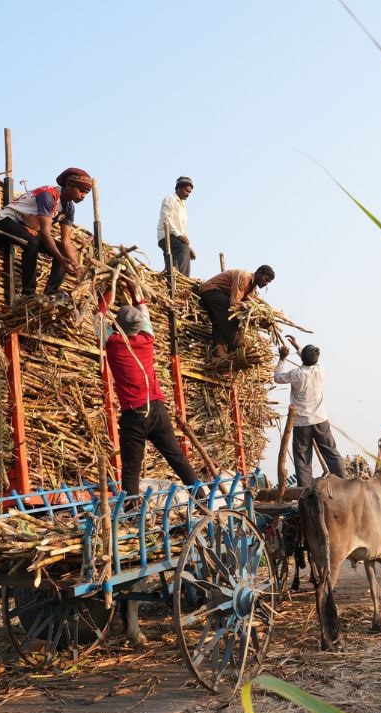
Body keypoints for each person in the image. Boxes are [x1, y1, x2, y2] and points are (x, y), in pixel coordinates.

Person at [106, 278, 200, 497]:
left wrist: (108, 288)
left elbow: (98, 316)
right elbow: (142, 306)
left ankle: (131, 508)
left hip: (134, 415)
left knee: (131, 469)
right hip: (157, 410)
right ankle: (202, 497)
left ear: (117, 326)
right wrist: (132, 286)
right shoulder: (148, 338)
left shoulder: (112, 343)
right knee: (177, 458)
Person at [0, 168, 91, 298]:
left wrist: (77, 266)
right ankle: (28, 293)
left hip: (27, 229)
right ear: (69, 185)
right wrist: (60, 259)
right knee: (32, 243)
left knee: (61, 249)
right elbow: (45, 233)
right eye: (81, 191)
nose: (83, 196)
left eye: (86, 193)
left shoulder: (69, 208)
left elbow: (66, 241)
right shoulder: (48, 196)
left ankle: (51, 292)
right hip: (6, 222)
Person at [274, 336, 344, 488]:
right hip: (320, 420)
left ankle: (305, 492)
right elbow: (310, 360)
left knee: (303, 460)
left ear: (303, 358)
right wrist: (298, 347)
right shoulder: (320, 371)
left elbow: (278, 378)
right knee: (331, 453)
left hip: (301, 423)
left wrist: (282, 359)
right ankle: (343, 484)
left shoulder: (296, 374)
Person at [197, 265, 275, 357]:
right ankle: (238, 348)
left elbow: (248, 304)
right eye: (266, 279)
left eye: (269, 282)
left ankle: (219, 356)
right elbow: (234, 304)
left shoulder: (252, 289)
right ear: (259, 273)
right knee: (232, 317)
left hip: (217, 295)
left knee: (220, 323)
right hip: (210, 290)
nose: (266, 283)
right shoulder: (244, 277)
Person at [157, 177, 194, 275]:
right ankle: (184, 277)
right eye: (186, 191)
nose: (188, 194)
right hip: (167, 235)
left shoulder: (183, 205)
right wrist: (179, 236)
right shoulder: (170, 199)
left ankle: (170, 278)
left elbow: (182, 228)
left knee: (173, 264)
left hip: (176, 237)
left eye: (189, 192)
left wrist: (188, 246)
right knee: (183, 249)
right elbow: (166, 218)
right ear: (179, 188)